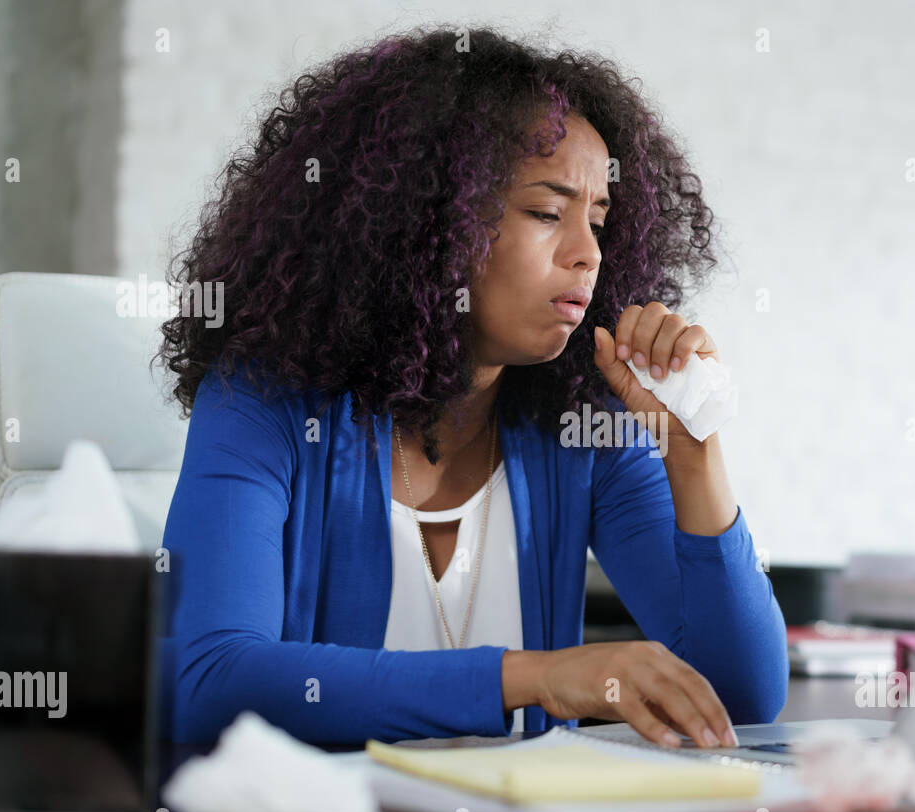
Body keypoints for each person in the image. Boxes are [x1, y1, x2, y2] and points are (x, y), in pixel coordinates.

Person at [154, 25, 788, 748]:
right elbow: (210, 683)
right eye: (547, 213)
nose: (587, 255)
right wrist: (535, 678)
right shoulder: (262, 402)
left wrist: (692, 452)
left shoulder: (579, 428)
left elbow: (743, 695)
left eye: (600, 223)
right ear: (430, 219)